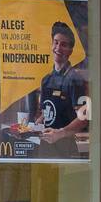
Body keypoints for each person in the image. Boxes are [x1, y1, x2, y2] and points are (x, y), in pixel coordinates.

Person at [33, 21, 88, 158]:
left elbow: (84, 118)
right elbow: (45, 113)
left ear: (70, 51)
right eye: (56, 42)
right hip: (45, 148)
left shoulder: (75, 80)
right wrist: (35, 125)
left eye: (63, 45)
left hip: (66, 149)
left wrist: (60, 133)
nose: (58, 47)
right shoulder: (46, 80)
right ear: (51, 44)